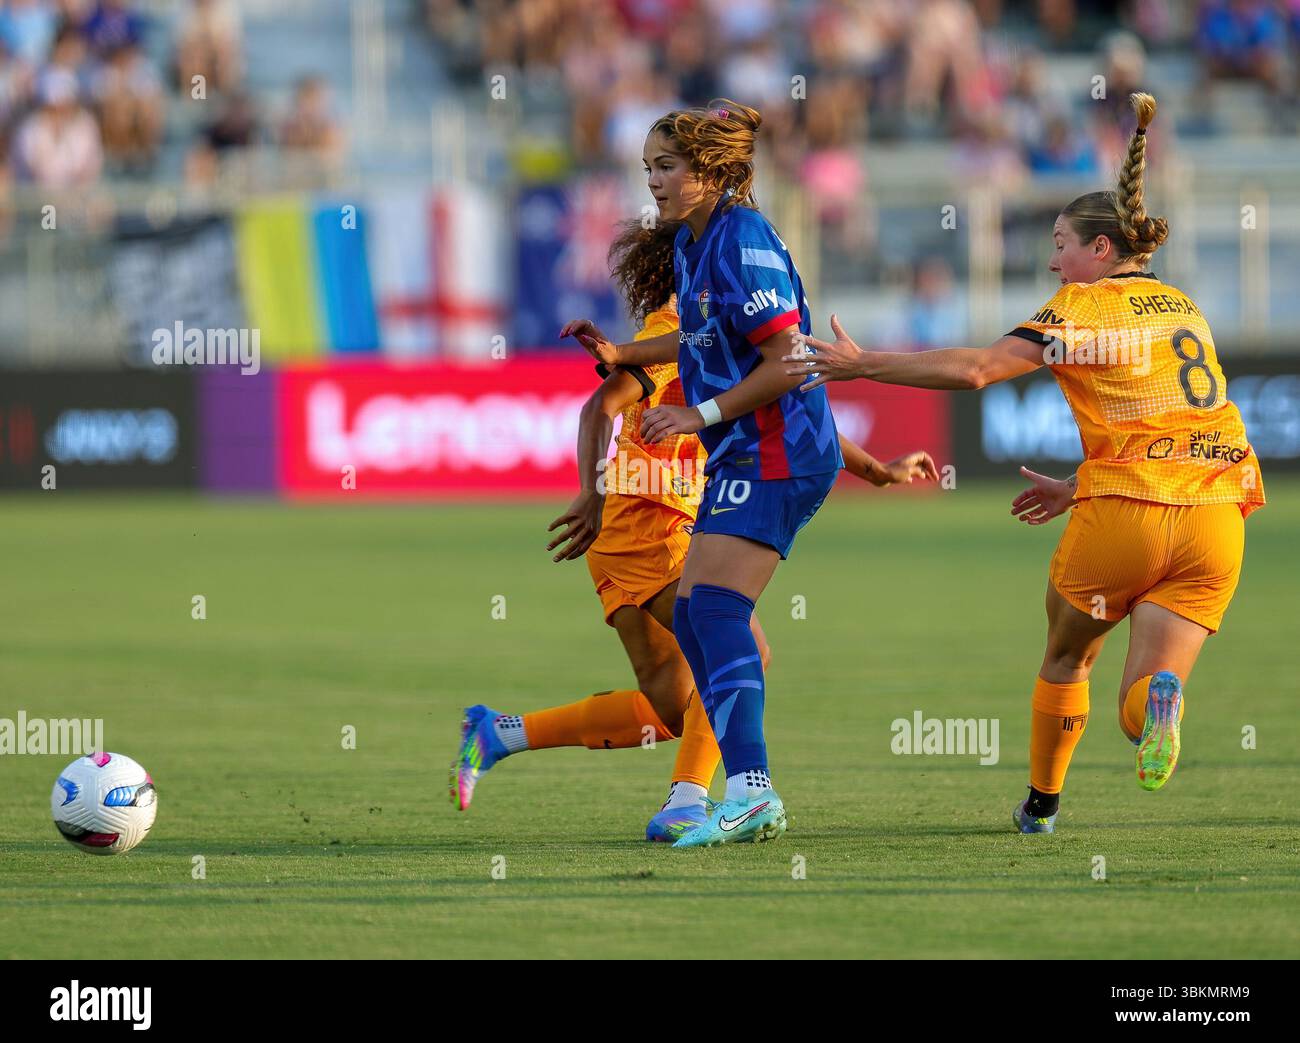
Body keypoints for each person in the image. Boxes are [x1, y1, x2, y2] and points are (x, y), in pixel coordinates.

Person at [784, 93, 1265, 834]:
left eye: (1063, 241)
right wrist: (1079, 482)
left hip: (1129, 517)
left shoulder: (1082, 306)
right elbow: (1175, 421)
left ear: (1100, 252)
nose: (1052, 259)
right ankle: (1164, 696)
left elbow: (979, 369)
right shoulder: (1183, 308)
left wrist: (863, 363)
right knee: (1143, 698)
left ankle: (1041, 806)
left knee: (1068, 657)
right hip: (1216, 519)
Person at [451, 216, 935, 843]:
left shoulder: (716, 325)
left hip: (641, 532)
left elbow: (790, 404)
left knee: (674, 707)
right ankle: (689, 801)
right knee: (739, 646)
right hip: (646, 526)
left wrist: (878, 473)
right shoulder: (679, 325)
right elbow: (602, 405)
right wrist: (592, 496)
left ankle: (496, 734)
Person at [564, 99, 867, 848]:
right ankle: (723, 793)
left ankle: (748, 792)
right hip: (748, 453)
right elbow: (698, 343)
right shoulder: (696, 243)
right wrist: (625, 356)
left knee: (718, 613)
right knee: (701, 615)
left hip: (780, 450)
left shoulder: (742, 238)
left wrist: (695, 418)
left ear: (711, 171)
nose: (655, 183)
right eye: (648, 170)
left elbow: (788, 358)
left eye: (666, 167)